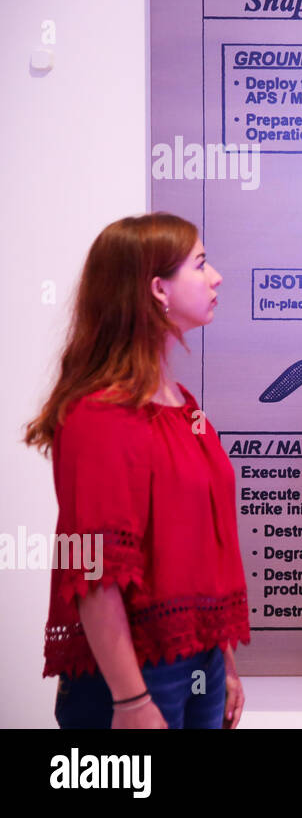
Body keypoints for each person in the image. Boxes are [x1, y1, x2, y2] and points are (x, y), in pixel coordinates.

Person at [23, 212, 250, 728]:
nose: (215, 277)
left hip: (198, 663)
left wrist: (223, 665)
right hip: (133, 677)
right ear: (157, 290)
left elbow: (201, 549)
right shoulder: (98, 415)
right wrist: (129, 700)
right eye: (200, 264)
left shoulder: (183, 406)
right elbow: (95, 573)